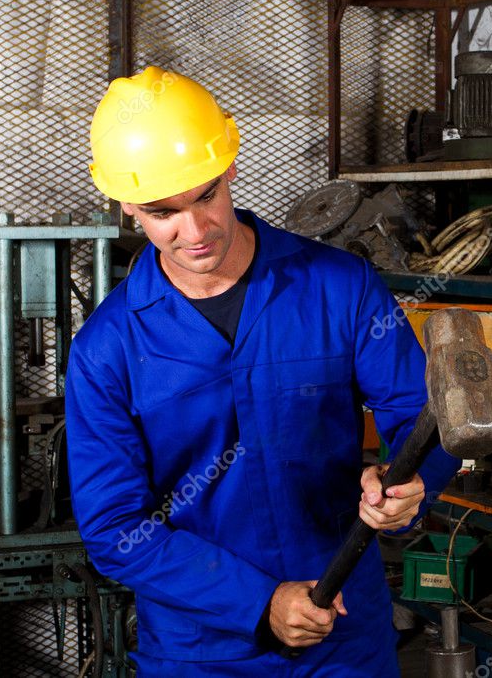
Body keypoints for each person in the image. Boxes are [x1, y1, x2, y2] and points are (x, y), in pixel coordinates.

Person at [65, 66, 461, 676]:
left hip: (343, 631)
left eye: (205, 195)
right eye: (163, 212)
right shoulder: (106, 348)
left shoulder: (340, 287)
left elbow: (420, 414)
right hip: (201, 648)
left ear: (229, 170)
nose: (195, 231)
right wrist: (258, 602)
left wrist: (409, 483)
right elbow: (115, 528)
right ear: (126, 207)